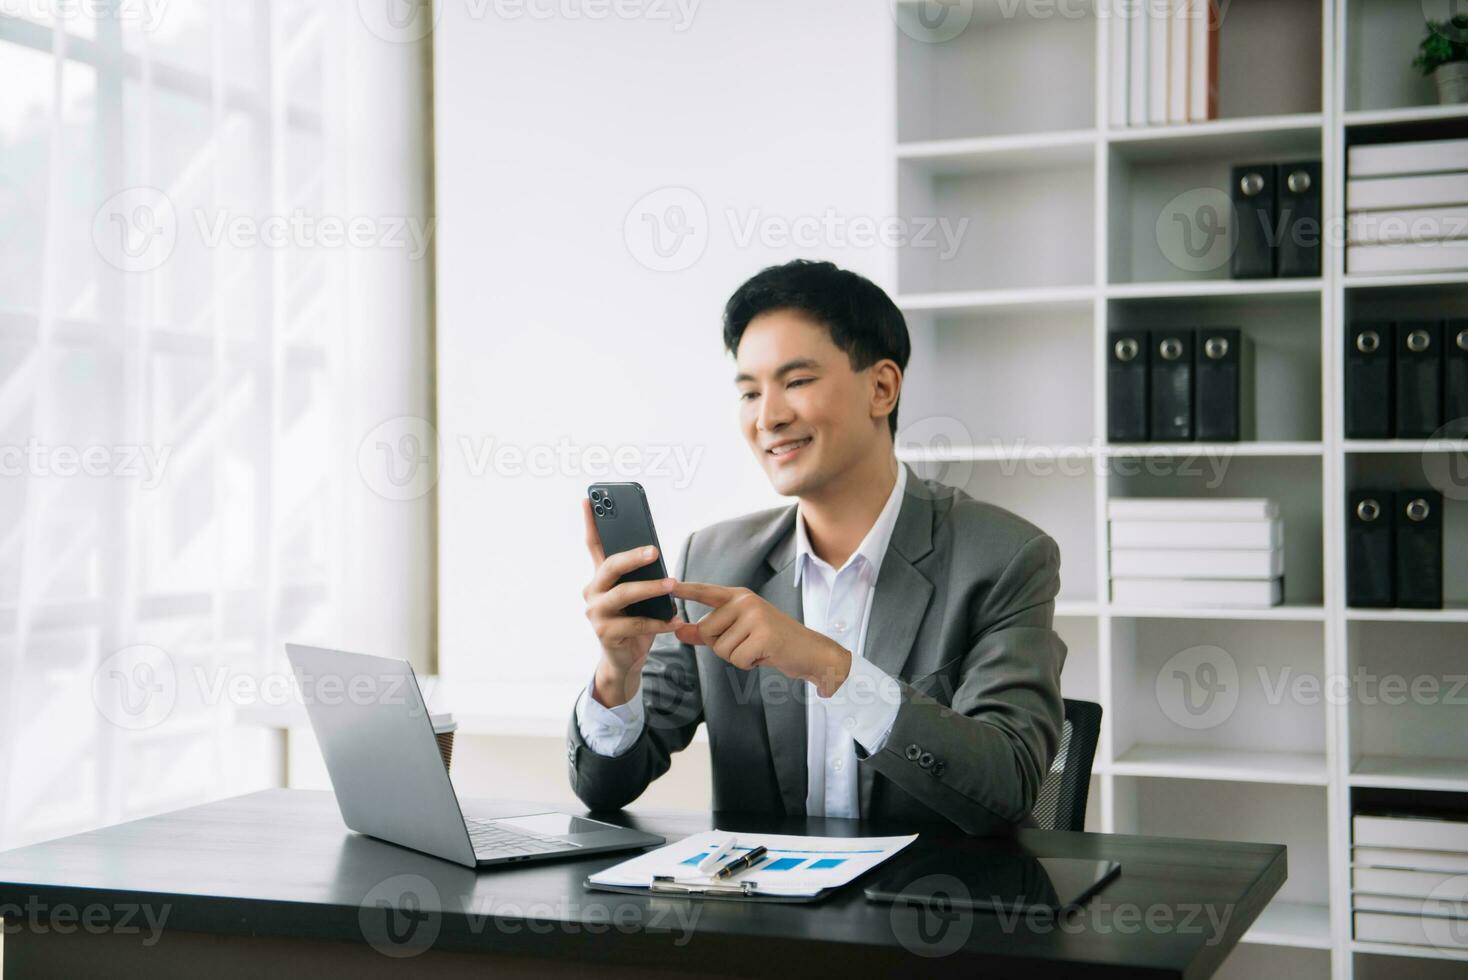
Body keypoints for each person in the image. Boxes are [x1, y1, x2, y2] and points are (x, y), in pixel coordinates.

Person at [567, 259, 1066, 834]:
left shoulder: (1005, 557)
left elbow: (1006, 784)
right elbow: (604, 787)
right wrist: (618, 674)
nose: (769, 417)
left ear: (881, 388)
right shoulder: (715, 559)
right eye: (749, 392)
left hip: (935, 908)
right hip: (768, 918)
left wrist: (827, 665)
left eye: (797, 382)